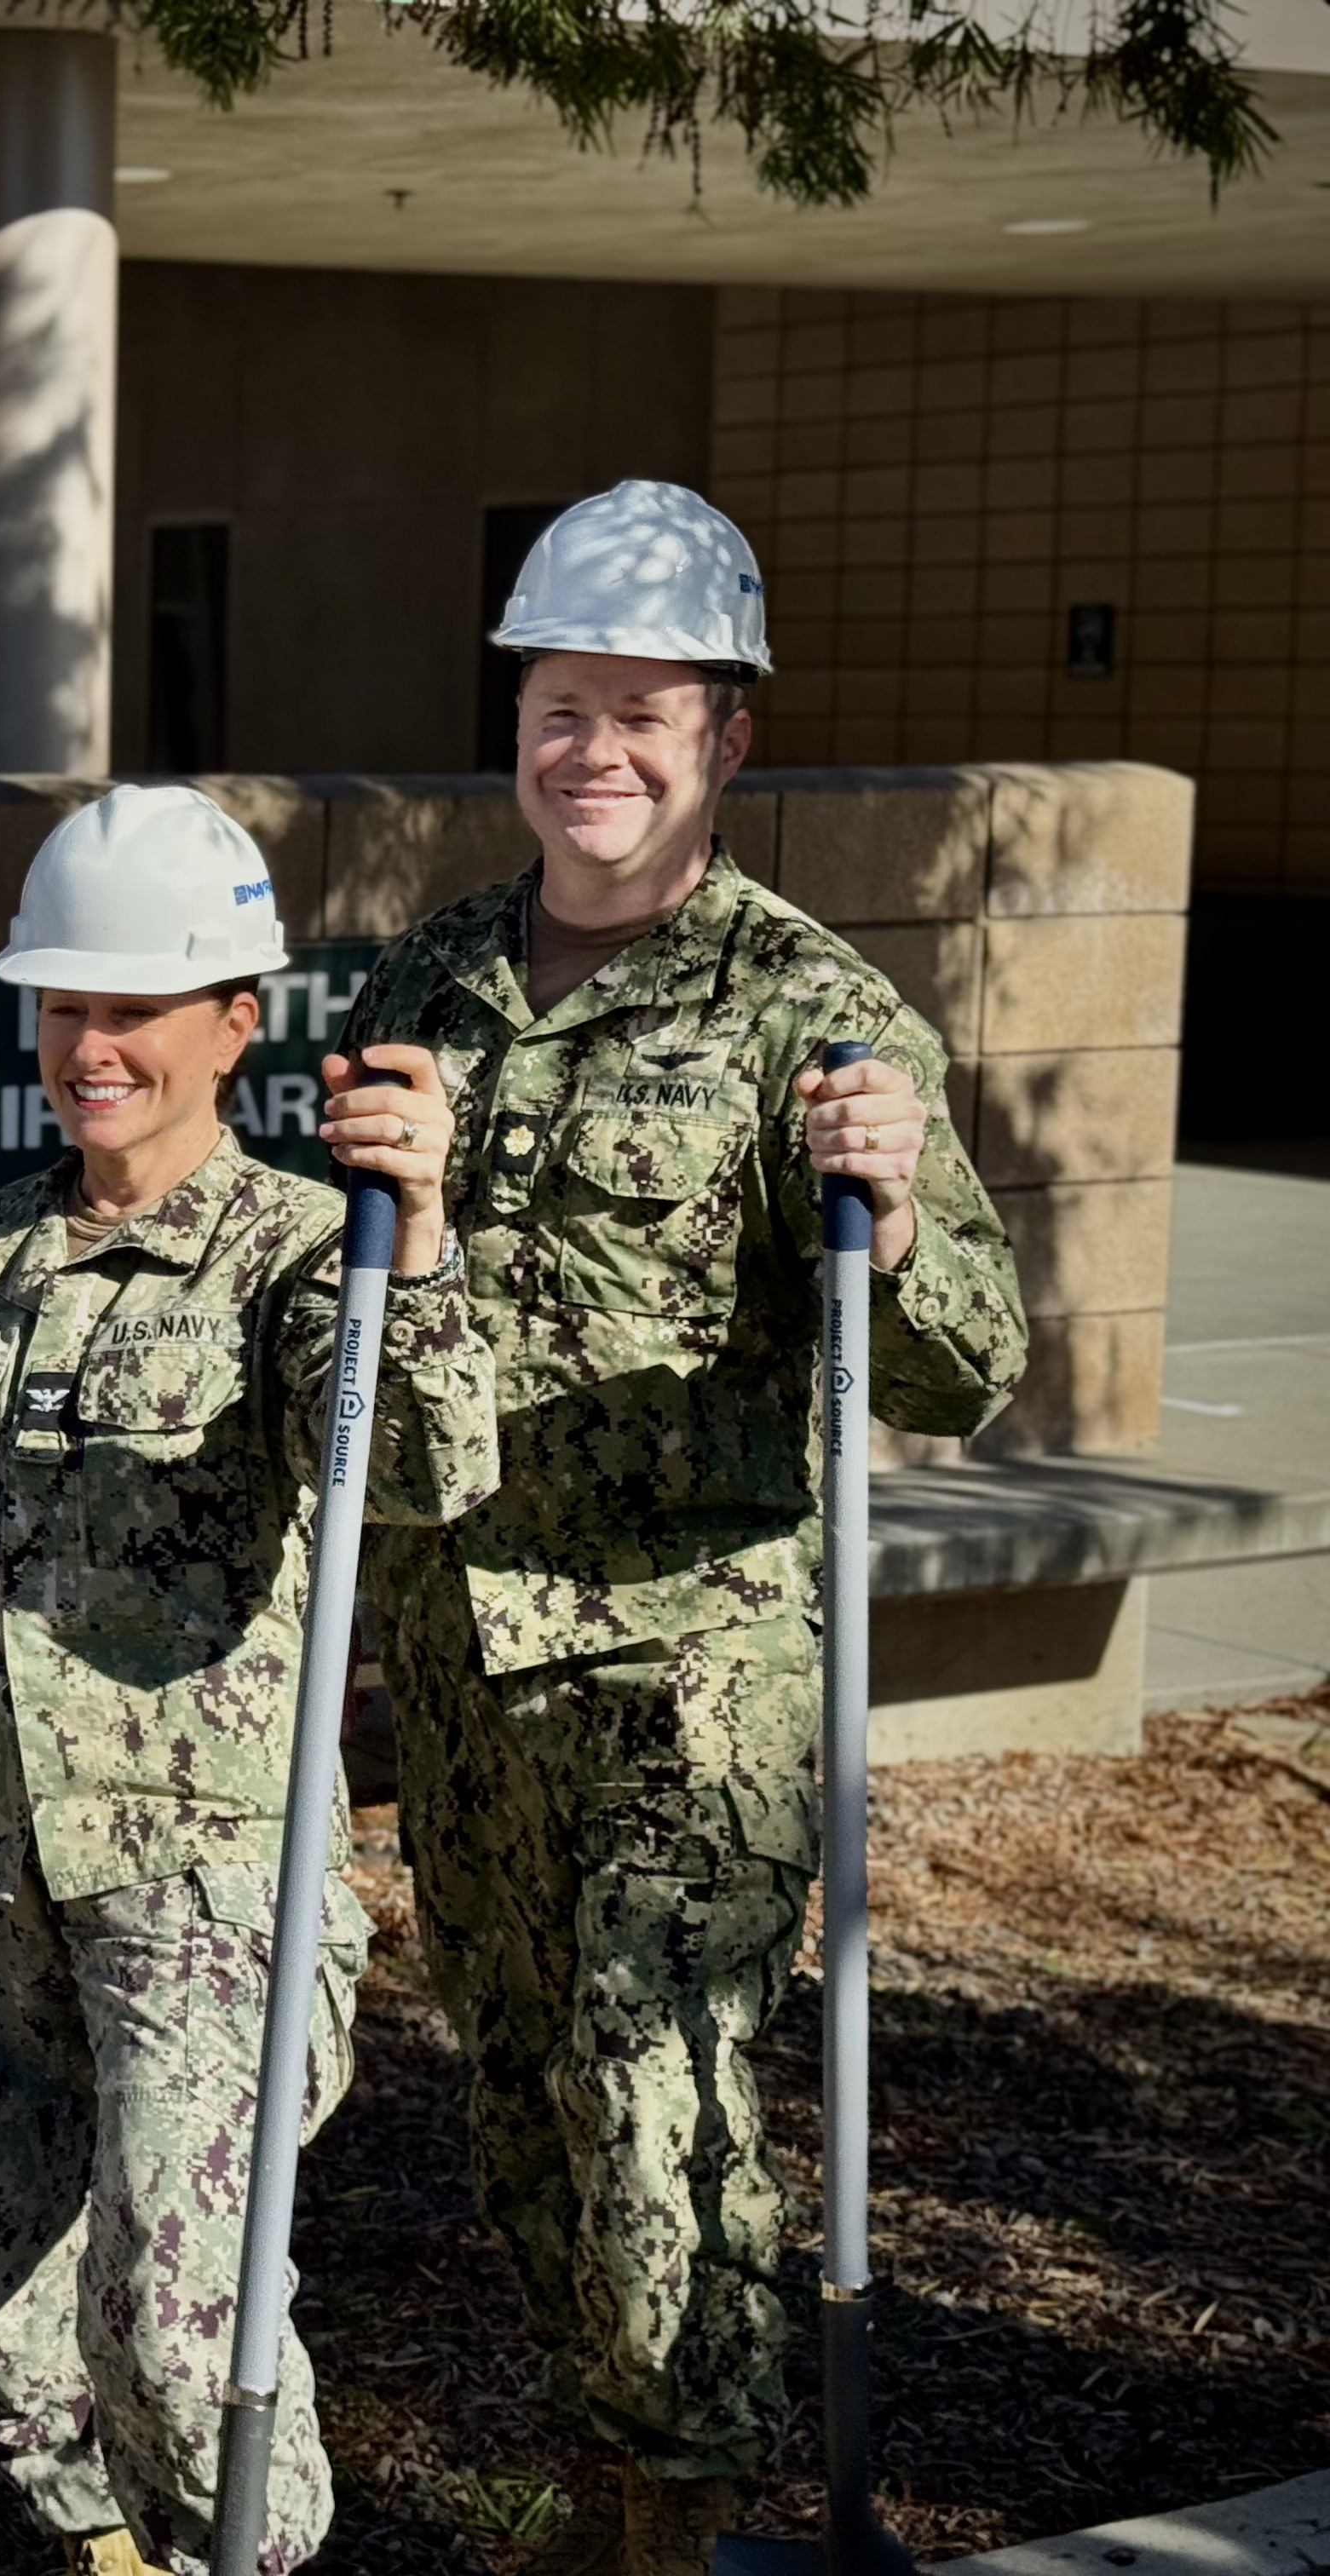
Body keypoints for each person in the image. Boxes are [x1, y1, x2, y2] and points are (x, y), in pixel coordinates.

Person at [337, 481, 1028, 2576]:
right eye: (562, 706)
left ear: (727, 738)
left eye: (645, 714)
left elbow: (968, 1366)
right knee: (528, 2111)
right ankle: (613, 2492)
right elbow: (359, 1318)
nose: (596, 753)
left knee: (659, 2105)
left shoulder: (817, 1014)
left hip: (691, 1669)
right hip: (471, 1663)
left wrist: (891, 1207)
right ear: (516, 720)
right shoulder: (431, 975)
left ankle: (687, 2527)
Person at [0, 786, 501, 2576]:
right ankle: (102, 2550)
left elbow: (425, 1466)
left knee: (180, 2317)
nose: (91, 1047)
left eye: (134, 1008)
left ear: (235, 1021)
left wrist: (416, 1234)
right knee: (15, 2286)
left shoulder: (303, 1254)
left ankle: (243, 2556)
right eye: (63, 1007)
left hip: (200, 1867)